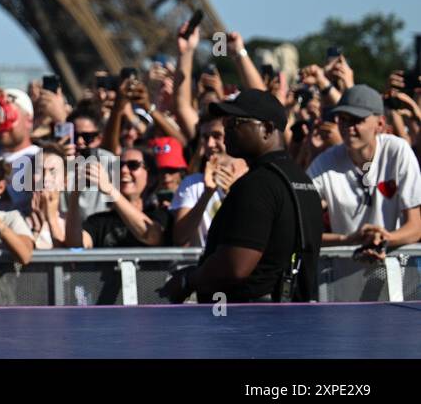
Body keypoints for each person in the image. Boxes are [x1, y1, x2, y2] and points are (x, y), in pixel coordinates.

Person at [162, 90, 323, 304]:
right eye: (226, 122)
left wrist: (187, 280)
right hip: (289, 320)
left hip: (249, 324)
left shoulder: (258, 184)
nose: (227, 129)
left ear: (266, 129)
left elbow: (235, 266)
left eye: (235, 122)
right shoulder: (301, 180)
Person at [306, 85, 421, 259]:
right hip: (343, 276)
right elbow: (302, 228)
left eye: (356, 120)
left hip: (394, 271)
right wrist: (348, 239)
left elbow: (415, 227)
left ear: (380, 124)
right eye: (343, 119)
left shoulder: (397, 151)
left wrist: (383, 239)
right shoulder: (325, 162)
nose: (348, 127)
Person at [63, 145, 168, 248]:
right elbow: (76, 246)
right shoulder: (98, 221)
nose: (123, 170)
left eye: (133, 165)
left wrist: (110, 190)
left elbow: (151, 236)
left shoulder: (161, 214)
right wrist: (75, 192)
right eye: (119, 165)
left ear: (151, 178)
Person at [171, 114, 248, 248]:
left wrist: (233, 195)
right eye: (205, 137)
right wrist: (206, 194)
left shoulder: (254, 177)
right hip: (206, 266)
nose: (209, 144)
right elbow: (180, 238)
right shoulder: (192, 183)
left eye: (217, 136)